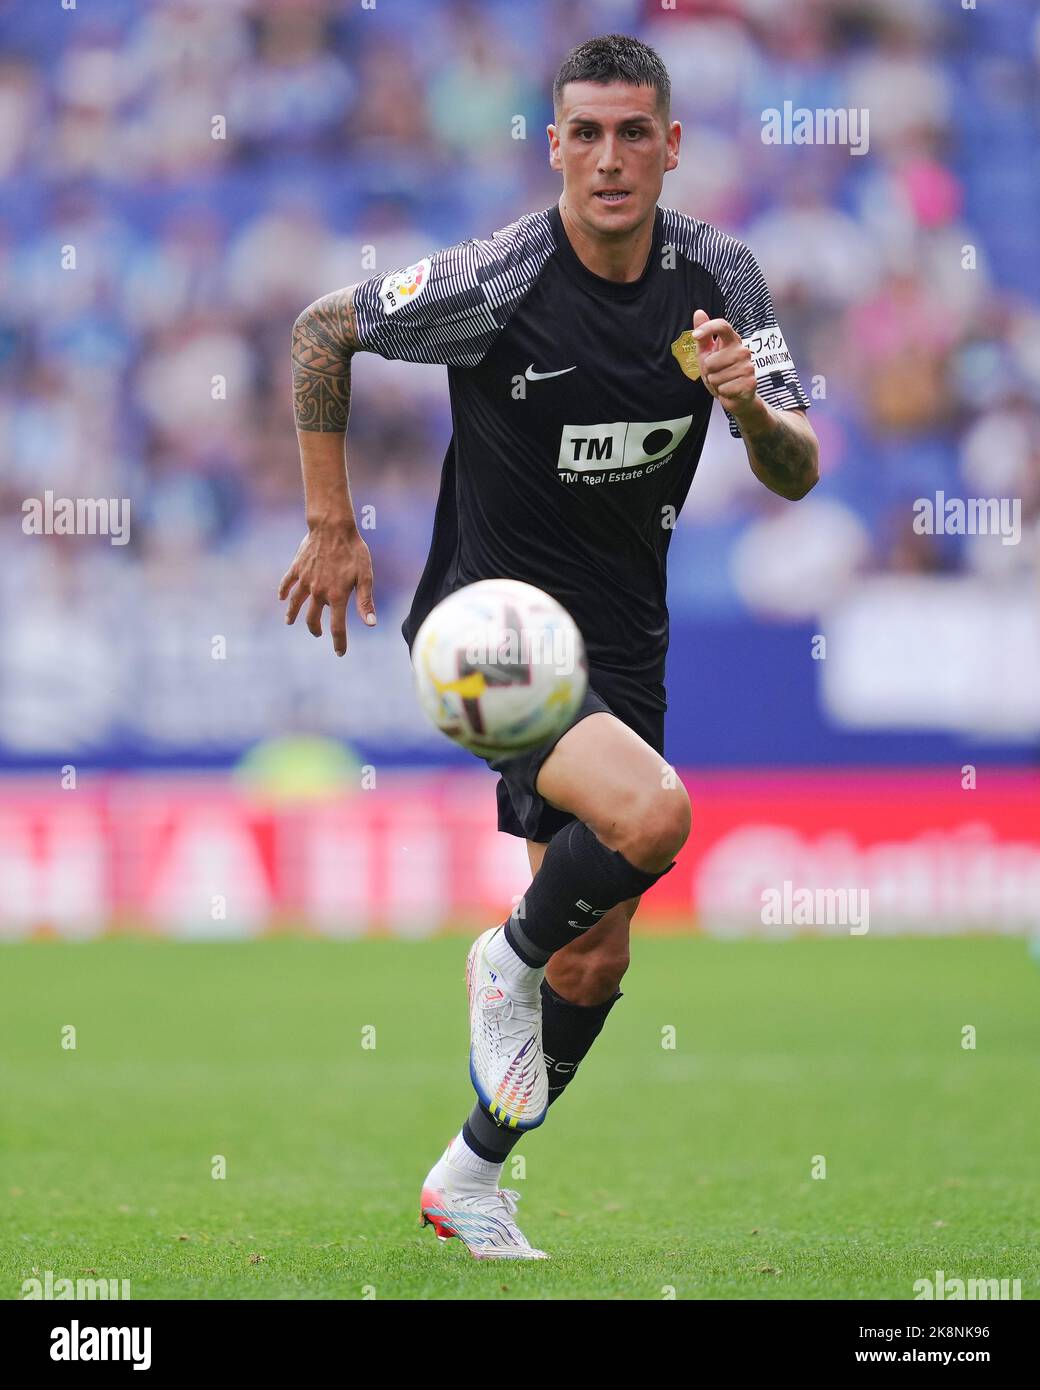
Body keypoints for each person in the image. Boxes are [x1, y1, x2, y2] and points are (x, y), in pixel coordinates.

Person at [281, 33, 819, 1259]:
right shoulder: (502, 278)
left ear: (672, 146)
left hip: (624, 643)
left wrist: (744, 404)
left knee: (599, 952)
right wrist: (331, 520)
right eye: (586, 132)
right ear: (554, 146)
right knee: (655, 821)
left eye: (635, 132)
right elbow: (324, 330)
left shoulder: (722, 275)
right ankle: (499, 956)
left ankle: (470, 1172)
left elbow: (795, 469)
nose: (611, 157)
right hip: (491, 631)